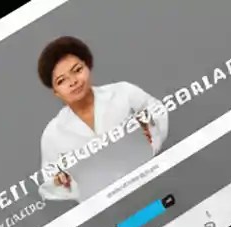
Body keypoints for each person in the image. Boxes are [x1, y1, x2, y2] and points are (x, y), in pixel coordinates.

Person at [36, 36, 168, 202]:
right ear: (56, 92)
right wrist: (64, 182)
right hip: (105, 207)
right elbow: (50, 183)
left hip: (152, 185)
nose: (73, 82)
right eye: (61, 80)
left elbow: (158, 113)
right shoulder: (53, 134)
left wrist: (151, 134)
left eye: (77, 70)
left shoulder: (124, 93)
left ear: (88, 66)